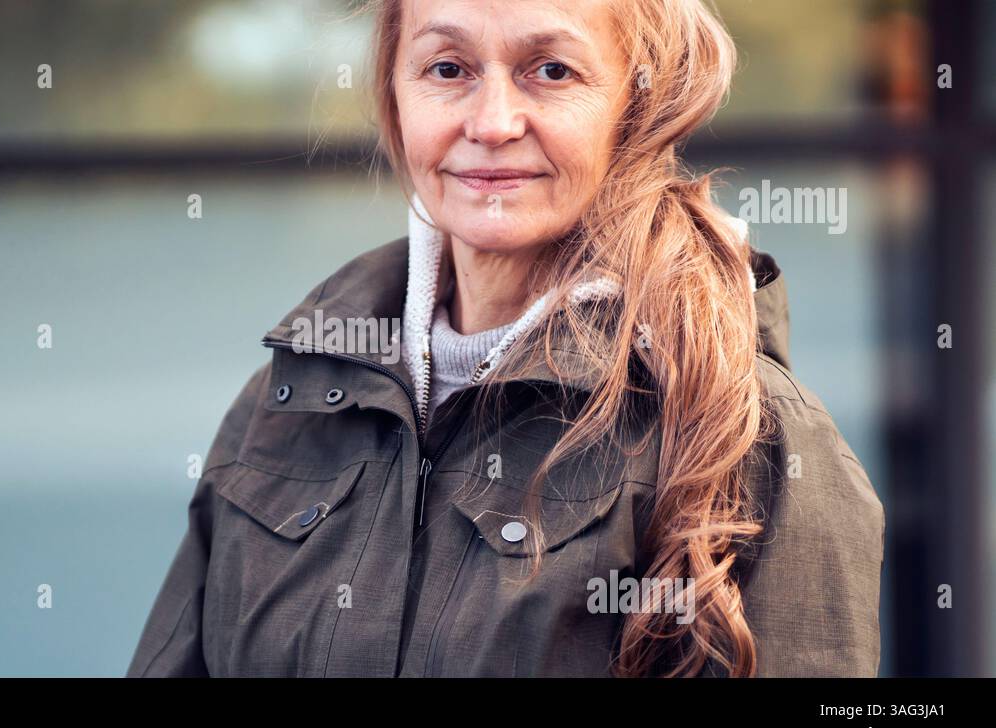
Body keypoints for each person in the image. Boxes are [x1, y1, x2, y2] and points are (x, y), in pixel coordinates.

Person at [128, 0, 884, 677]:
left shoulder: (749, 433)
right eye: (447, 68)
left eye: (551, 71)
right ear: (394, 95)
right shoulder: (288, 400)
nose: (491, 124)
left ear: (640, 107)